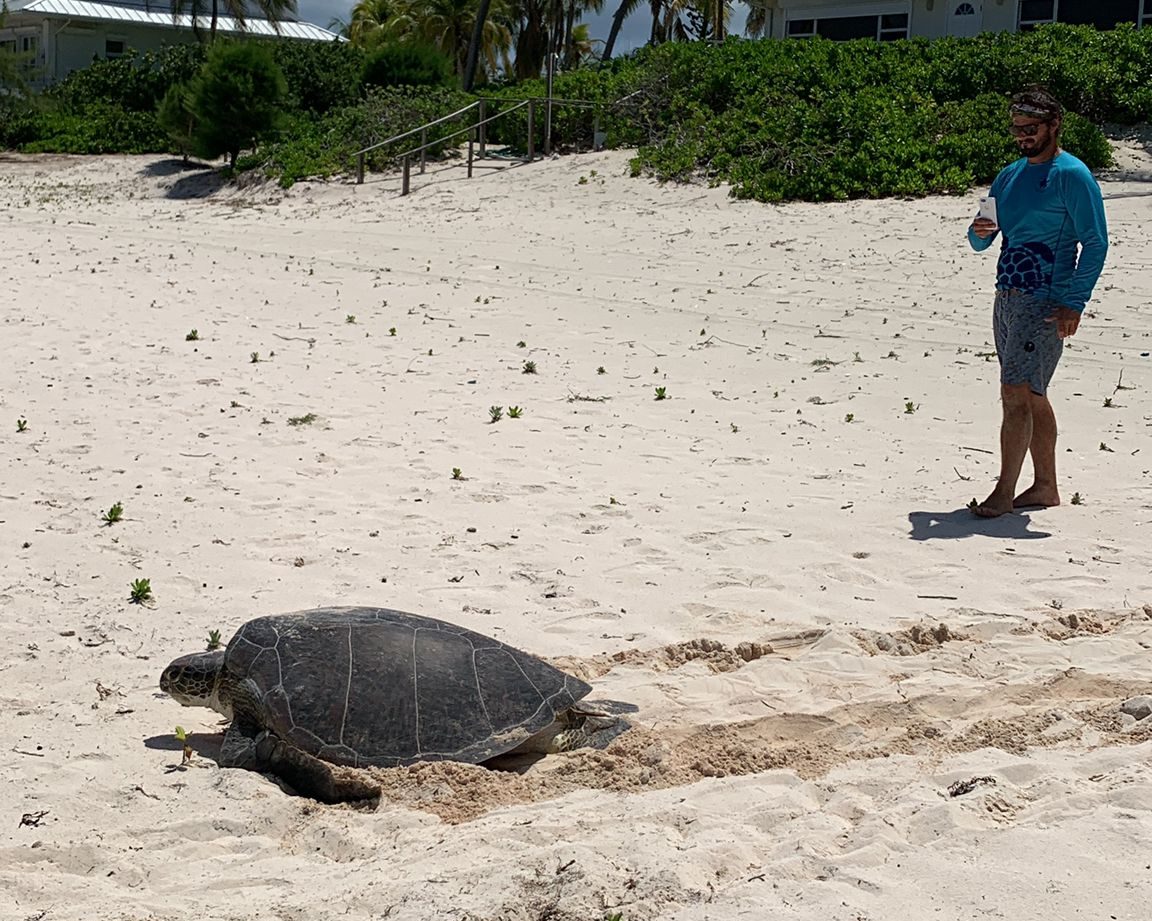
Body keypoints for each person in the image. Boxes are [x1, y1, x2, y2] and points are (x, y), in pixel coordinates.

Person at [966, 87, 1108, 518]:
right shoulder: (1009, 176)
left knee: (1014, 393)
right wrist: (980, 232)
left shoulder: (1072, 175)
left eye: (1031, 129)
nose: (1023, 137)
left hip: (1046, 300)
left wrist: (1074, 303)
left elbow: (1096, 243)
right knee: (1031, 392)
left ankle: (1003, 492)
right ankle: (1045, 487)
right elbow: (978, 240)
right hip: (1007, 298)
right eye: (1018, 130)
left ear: (1053, 126)